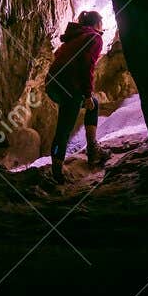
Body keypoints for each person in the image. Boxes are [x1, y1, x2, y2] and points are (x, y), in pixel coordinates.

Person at [45, 10, 105, 184]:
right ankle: (58, 172)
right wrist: (86, 94)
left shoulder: (74, 37)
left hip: (53, 83)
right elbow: (87, 66)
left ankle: (91, 151)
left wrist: (87, 97)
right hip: (69, 85)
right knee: (64, 128)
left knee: (92, 103)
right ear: (97, 23)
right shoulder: (94, 37)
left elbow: (59, 57)